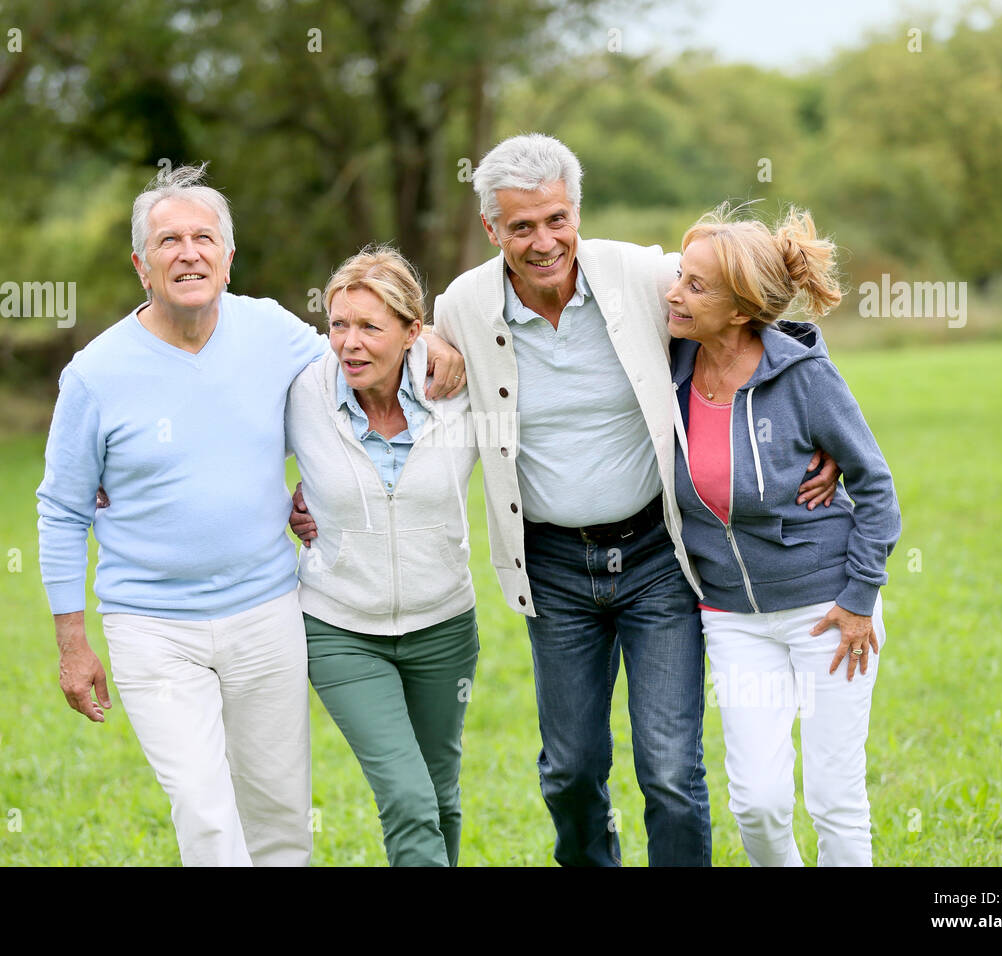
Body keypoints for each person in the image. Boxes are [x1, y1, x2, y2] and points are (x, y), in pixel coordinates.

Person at [294, 134, 841, 867]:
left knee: (671, 771)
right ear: (492, 230)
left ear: (575, 211)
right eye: (521, 226)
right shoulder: (463, 307)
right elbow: (397, 357)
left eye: (557, 219)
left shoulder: (641, 275)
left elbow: (759, 305)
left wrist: (821, 418)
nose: (544, 241)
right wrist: (324, 481)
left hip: (656, 556)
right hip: (552, 567)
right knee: (571, 770)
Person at [35, 164, 464, 867]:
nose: (188, 252)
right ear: (142, 265)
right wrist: (70, 643)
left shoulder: (272, 333)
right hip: (151, 625)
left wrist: (435, 341)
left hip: (267, 612)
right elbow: (60, 508)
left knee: (281, 818)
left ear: (228, 258)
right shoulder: (95, 373)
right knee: (205, 814)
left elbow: (358, 360)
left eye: (204, 237)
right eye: (168, 241)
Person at [664, 203, 901, 866]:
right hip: (733, 618)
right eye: (679, 277)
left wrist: (859, 600)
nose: (673, 293)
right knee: (758, 805)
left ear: (740, 311)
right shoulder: (671, 366)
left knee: (834, 798)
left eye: (694, 286)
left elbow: (877, 490)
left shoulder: (804, 378)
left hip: (828, 612)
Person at [285, 245, 478, 866]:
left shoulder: (459, 387)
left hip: (445, 626)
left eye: (370, 326)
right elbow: (218, 432)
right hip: (341, 627)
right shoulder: (302, 390)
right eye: (339, 324)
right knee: (408, 798)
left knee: (441, 797)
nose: (350, 343)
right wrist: (110, 472)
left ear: (412, 331)